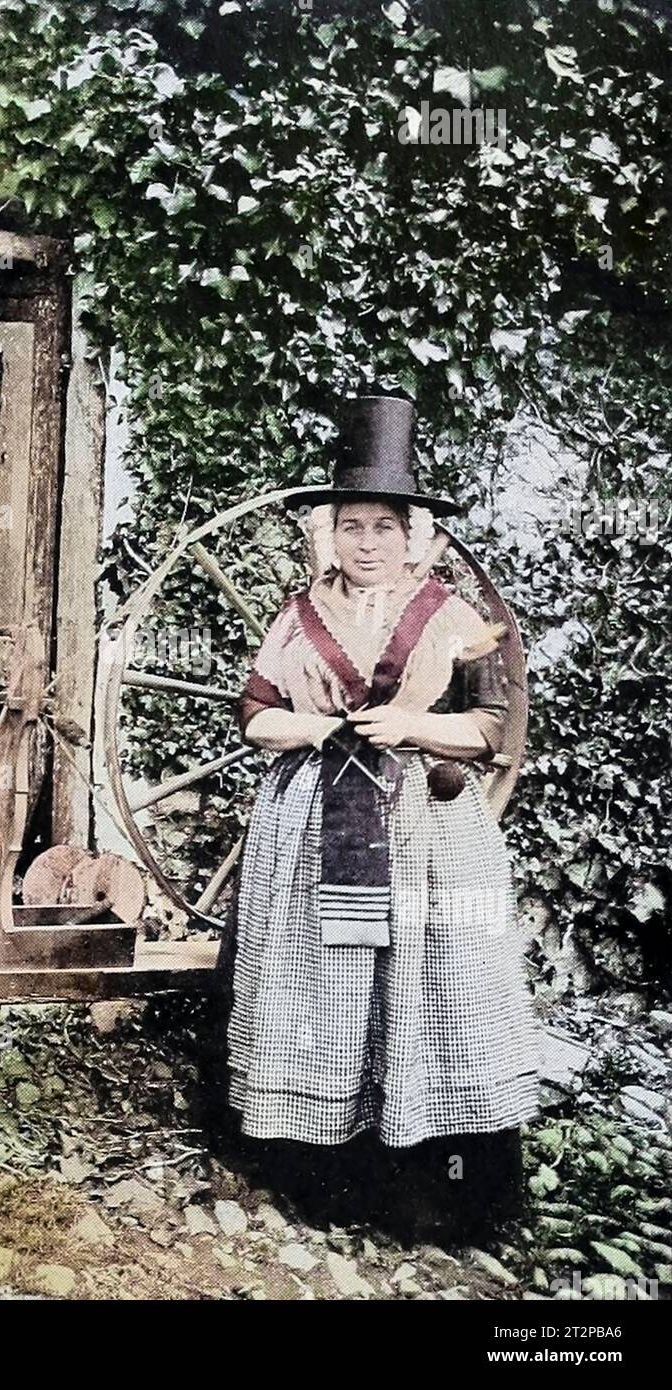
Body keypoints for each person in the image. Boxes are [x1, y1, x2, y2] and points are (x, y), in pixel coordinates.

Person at [223, 392, 539, 1245]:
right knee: (322, 981)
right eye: (352, 526)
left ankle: (432, 1187)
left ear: (413, 536)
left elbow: (490, 728)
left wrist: (410, 726)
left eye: (385, 528)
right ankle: (321, 1168)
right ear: (331, 535)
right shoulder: (298, 617)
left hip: (427, 831)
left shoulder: (454, 618)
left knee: (429, 980)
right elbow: (254, 715)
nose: (367, 543)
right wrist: (316, 728)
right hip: (315, 823)